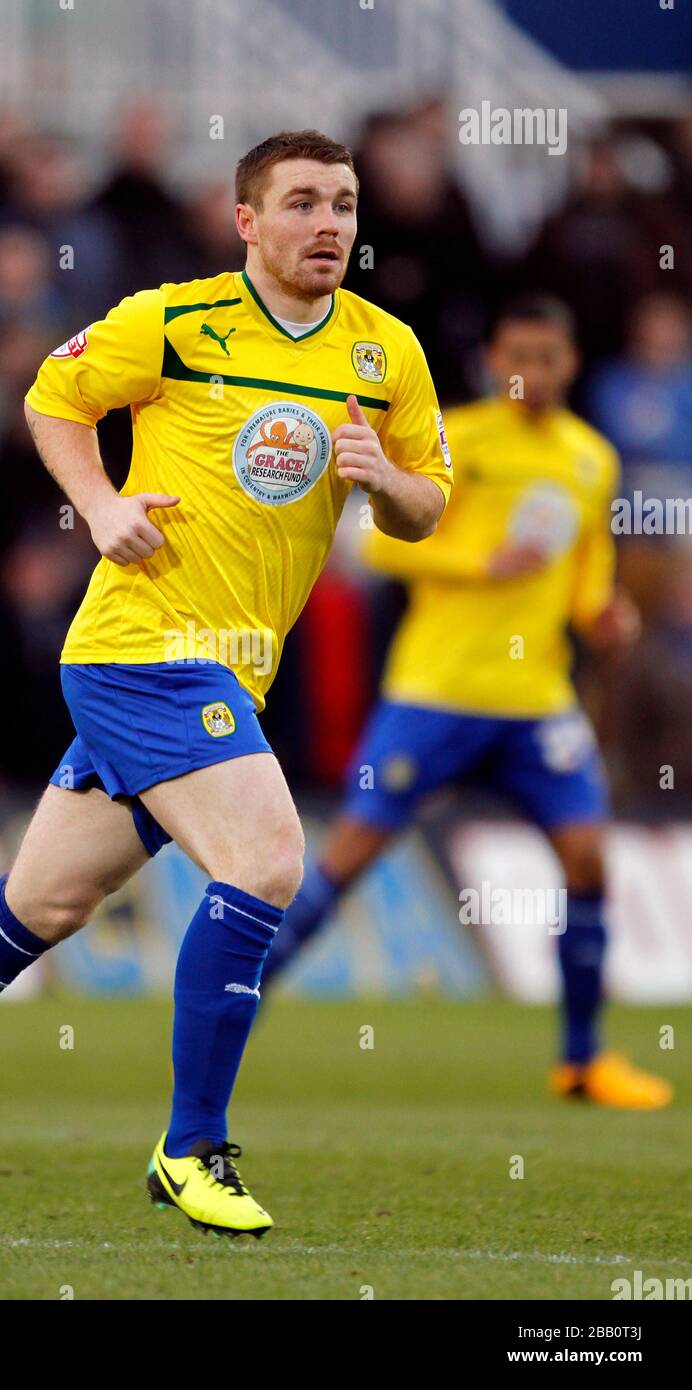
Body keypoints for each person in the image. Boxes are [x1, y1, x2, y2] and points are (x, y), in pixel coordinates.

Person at [0, 129, 452, 1237]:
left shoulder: (387, 352)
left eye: (342, 203)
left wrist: (384, 481)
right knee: (268, 858)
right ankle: (191, 1146)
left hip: (234, 667)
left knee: (40, 903)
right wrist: (100, 507)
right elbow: (53, 399)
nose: (330, 223)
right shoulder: (174, 320)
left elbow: (430, 502)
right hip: (142, 645)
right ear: (247, 222)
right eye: (301, 203)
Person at [260, 294, 673, 1112]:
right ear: (492, 360)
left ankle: (582, 1062)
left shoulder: (592, 458)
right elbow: (378, 542)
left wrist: (602, 612)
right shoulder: (450, 439)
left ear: (572, 364)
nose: (532, 373)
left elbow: (587, 566)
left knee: (589, 860)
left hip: (536, 702)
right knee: (343, 860)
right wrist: (486, 563)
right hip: (436, 693)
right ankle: (232, 1005)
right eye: (517, 355)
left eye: (548, 357)